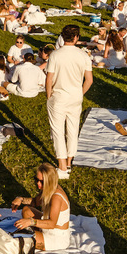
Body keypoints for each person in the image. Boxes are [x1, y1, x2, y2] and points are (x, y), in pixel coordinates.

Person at [45, 25, 93, 179]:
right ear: (76, 37)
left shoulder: (55, 55)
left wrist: (48, 95)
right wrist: (80, 92)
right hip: (75, 97)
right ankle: (69, 161)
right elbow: (89, 80)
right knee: (73, 129)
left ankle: (62, 166)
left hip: (58, 96)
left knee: (57, 131)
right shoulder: (84, 55)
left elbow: (49, 79)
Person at [9, 163, 72, 251]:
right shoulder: (48, 188)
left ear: (49, 181)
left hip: (55, 237)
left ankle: (33, 234)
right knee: (26, 210)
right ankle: (34, 232)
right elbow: (35, 202)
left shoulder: (56, 197)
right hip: (46, 226)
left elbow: (52, 224)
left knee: (21, 238)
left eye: (42, 181)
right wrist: (20, 199)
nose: (38, 183)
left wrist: (30, 221)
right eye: (36, 179)